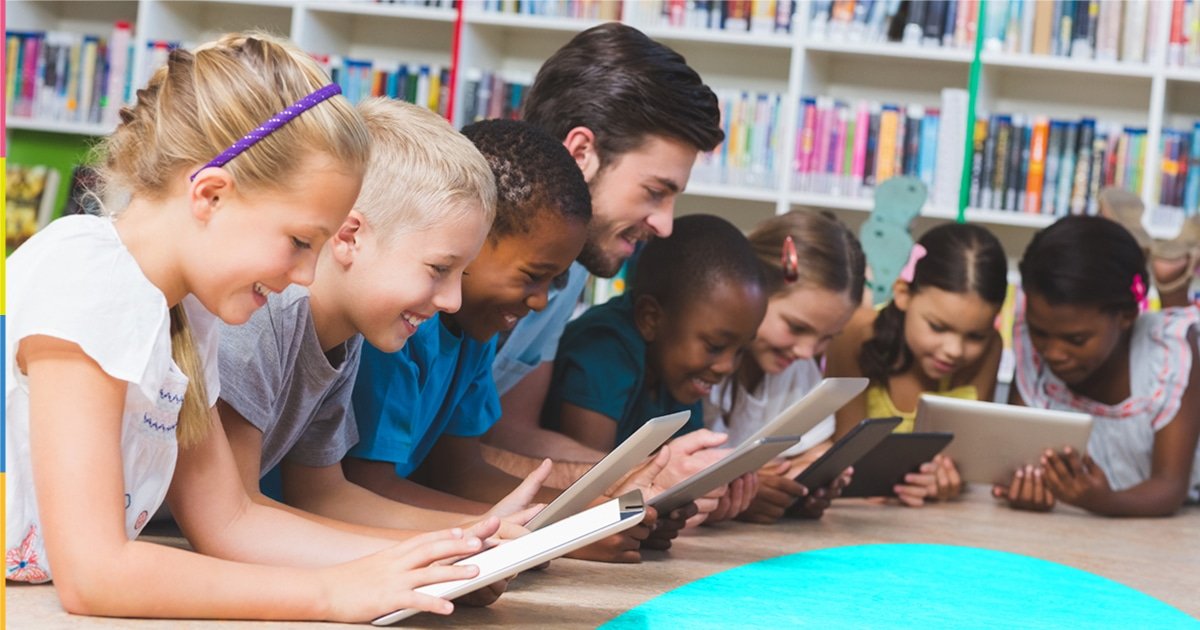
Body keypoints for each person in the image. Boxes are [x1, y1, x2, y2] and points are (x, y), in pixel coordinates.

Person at [5, 33, 492, 622]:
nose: (307, 274)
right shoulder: (89, 276)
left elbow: (231, 520)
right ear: (210, 194)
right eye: (298, 241)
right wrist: (333, 594)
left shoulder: (187, 312)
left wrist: (434, 562)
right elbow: (96, 573)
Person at [215, 99, 539, 558]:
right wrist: (430, 554)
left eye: (460, 274)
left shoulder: (342, 340)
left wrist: (476, 534)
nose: (453, 302)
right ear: (350, 238)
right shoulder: (262, 319)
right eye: (439, 268)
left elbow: (325, 495)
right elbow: (235, 517)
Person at [483, 23, 726, 466]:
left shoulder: (571, 270)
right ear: (581, 154)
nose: (666, 225)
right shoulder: (448, 250)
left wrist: (650, 476)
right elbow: (442, 458)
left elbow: (506, 432)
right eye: (655, 191)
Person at [544, 214, 768, 521]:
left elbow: (679, 481)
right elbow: (595, 486)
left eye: (741, 350)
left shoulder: (679, 372)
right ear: (651, 318)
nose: (727, 366)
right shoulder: (602, 347)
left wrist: (714, 497)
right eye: (715, 346)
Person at [995, 215, 1200, 517]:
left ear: (1127, 315)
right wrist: (1026, 486)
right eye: (1040, 333)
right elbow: (1017, 459)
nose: (1053, 352)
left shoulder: (1169, 355)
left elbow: (1169, 487)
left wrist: (1103, 502)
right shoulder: (1034, 338)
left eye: (1075, 339)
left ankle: (1171, 285)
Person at [826, 222, 1008, 507]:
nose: (954, 351)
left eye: (975, 336)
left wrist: (946, 480)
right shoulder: (854, 335)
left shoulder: (990, 348)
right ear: (903, 294)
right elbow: (846, 454)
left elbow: (964, 460)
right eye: (937, 327)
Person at [706, 210, 866, 523]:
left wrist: (811, 473)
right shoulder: (701, 364)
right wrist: (744, 490)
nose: (808, 352)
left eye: (827, 338)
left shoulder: (798, 367)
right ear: (750, 287)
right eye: (796, 327)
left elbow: (814, 448)